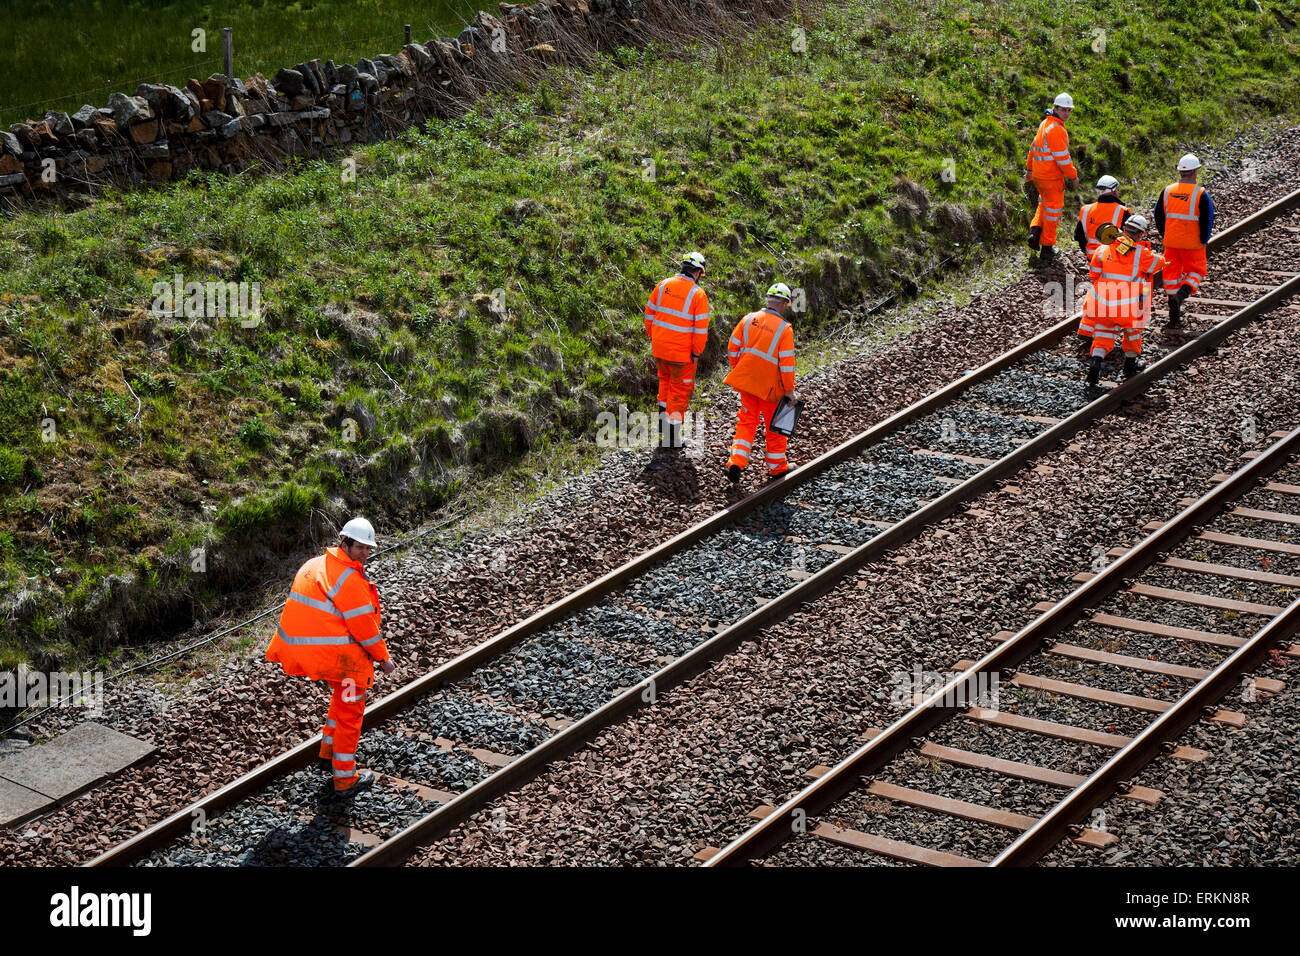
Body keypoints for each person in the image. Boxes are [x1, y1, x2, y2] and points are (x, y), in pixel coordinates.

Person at [266, 517, 394, 797]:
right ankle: (345, 780)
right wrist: (384, 659)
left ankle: (326, 755)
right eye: (360, 547)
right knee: (350, 715)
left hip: (318, 654)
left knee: (340, 701)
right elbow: (365, 629)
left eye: (368, 549)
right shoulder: (348, 578)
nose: (365, 554)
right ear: (344, 542)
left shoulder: (316, 565)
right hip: (343, 663)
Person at [1081, 215, 1170, 386]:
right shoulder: (1140, 253)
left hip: (1101, 303)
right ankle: (1130, 365)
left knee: (1103, 334)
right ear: (1139, 234)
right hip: (1127, 306)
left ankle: (1096, 362)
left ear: (1123, 229)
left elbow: (1093, 274)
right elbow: (1156, 264)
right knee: (1133, 333)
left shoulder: (1102, 248)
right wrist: (1164, 260)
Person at [725, 283, 798, 482]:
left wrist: (740, 370)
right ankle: (777, 467)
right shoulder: (785, 329)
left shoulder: (749, 319)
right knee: (775, 426)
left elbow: (732, 349)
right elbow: (787, 365)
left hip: (748, 384)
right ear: (784, 303)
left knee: (747, 422)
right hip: (771, 389)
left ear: (768, 299)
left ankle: (736, 462)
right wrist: (790, 391)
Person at [644, 252, 711, 449]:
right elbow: (700, 330)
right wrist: (697, 352)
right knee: (679, 392)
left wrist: (654, 337)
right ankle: (671, 439)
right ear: (698, 272)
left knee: (664, 385)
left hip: (659, 349)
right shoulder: (698, 294)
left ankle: (663, 432)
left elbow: (649, 315)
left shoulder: (663, 285)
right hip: (682, 355)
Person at [1154, 153, 1215, 326]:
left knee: (1171, 276)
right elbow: (1207, 219)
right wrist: (1204, 239)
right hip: (1193, 244)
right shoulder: (1201, 194)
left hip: (1171, 243)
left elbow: (1157, 215)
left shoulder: (1168, 191)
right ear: (1195, 172)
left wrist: (1165, 235)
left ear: (1180, 172)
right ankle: (1180, 296)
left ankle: (1174, 314)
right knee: (1197, 271)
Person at [1074, 175, 1133, 346]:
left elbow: (1079, 236)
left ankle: (1086, 330)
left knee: (1097, 294)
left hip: (1093, 260)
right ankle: (1105, 334)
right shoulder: (1123, 212)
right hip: (1114, 262)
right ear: (1114, 190)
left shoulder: (1086, 210)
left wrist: (1088, 253)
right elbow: (1129, 240)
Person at [1025, 92, 1079, 268]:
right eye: (1063, 110)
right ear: (1055, 108)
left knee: (1043, 204)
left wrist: (1030, 168)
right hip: (1051, 178)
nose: (1066, 114)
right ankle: (1047, 247)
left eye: (1069, 110)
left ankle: (1035, 232)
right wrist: (1073, 175)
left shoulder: (1045, 124)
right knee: (1053, 212)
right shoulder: (1056, 129)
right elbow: (1062, 158)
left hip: (1039, 177)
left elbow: (1033, 148)